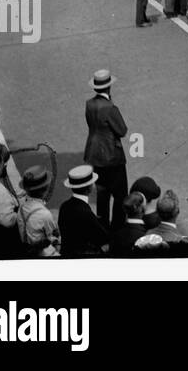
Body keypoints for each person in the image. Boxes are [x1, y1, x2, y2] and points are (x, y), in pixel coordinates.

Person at [83, 68, 128, 235]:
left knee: (102, 194)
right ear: (109, 87)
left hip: (94, 152)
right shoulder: (110, 107)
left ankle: (103, 228)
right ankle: (117, 227)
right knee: (120, 194)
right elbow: (122, 130)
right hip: (111, 155)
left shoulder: (89, 104)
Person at [58, 165, 109, 258]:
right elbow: (103, 238)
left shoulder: (64, 206)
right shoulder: (85, 213)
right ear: (89, 188)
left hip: (65, 252)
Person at [17, 165, 60, 258]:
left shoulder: (21, 207)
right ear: (45, 190)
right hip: (42, 253)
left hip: (25, 250)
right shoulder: (45, 214)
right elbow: (53, 235)